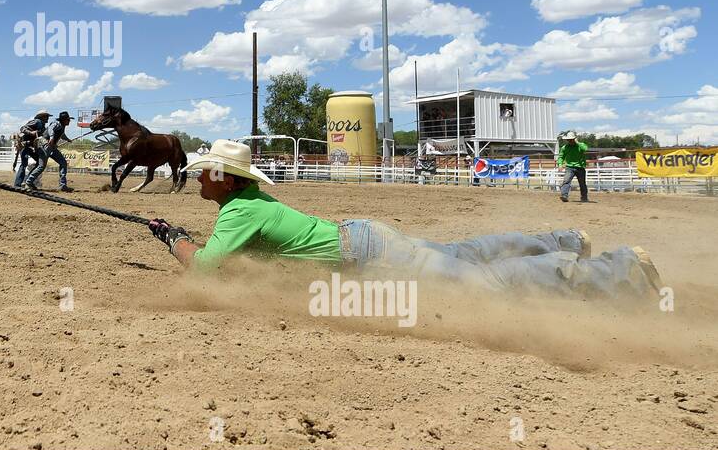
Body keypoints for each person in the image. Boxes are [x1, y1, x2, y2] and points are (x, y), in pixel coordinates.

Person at [145, 140, 662, 301]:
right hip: (365, 238)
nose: (197, 179)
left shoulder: (239, 210)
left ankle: (620, 271)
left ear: (226, 179)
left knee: (480, 284)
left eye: (204, 173)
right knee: (463, 253)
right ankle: (565, 238)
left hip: (368, 255)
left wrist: (174, 241)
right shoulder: (251, 199)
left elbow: (207, 267)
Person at [27, 111, 73, 191]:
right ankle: (29, 182)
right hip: (45, 145)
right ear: (63, 120)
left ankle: (63, 185)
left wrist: (67, 139)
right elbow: (51, 129)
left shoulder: (61, 126)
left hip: (51, 147)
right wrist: (51, 137)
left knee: (63, 162)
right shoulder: (56, 123)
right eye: (68, 119)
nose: (69, 121)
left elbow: (62, 135)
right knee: (41, 166)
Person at [13, 111, 50, 189]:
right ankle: (17, 184)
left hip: (30, 146)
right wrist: (31, 133)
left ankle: (26, 180)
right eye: (46, 116)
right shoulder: (37, 121)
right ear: (42, 117)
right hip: (24, 145)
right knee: (24, 164)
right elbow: (23, 128)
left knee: (38, 163)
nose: (47, 118)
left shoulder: (43, 126)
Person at [557, 130, 589, 203]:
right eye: (569, 140)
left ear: (574, 139)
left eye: (571, 139)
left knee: (582, 183)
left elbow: (585, 149)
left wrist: (577, 142)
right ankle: (564, 195)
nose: (570, 141)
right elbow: (561, 157)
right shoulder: (564, 148)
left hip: (580, 167)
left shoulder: (581, 145)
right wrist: (560, 164)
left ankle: (584, 197)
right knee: (566, 181)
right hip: (569, 167)